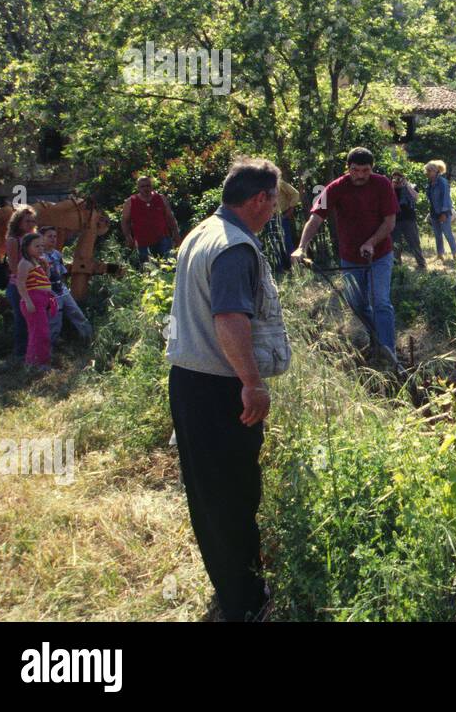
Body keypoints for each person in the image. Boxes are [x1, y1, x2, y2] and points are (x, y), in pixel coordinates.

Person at [166, 157, 291, 622]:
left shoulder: (200, 233)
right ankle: (244, 602)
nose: (275, 209)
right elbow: (230, 319)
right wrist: (253, 385)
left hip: (188, 380)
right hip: (221, 387)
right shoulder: (235, 247)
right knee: (234, 495)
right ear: (258, 199)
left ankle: (230, 587)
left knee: (209, 495)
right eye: (274, 200)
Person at [291, 148, 399, 364]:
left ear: (372, 168)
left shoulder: (383, 185)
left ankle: (389, 354)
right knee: (357, 305)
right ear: (347, 169)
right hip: (349, 257)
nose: (360, 175)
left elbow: (390, 222)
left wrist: (370, 242)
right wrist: (301, 247)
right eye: (355, 170)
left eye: (365, 170)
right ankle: (376, 339)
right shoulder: (335, 188)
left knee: (381, 302)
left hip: (380, 255)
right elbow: (315, 219)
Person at [40, 226, 93, 344]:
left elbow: (62, 272)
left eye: (54, 236)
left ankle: (90, 340)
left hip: (62, 289)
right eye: (49, 236)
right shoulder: (39, 257)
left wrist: (64, 287)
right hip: (50, 291)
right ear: (42, 238)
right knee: (54, 320)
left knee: (77, 313)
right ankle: (49, 349)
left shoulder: (57, 254)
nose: (53, 239)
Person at [16, 231, 57, 370]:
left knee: (42, 331)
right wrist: (27, 301)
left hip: (41, 300)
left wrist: (46, 268)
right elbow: (20, 283)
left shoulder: (36, 262)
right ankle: (37, 363)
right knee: (39, 333)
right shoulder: (25, 263)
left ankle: (38, 362)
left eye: (41, 246)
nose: (40, 249)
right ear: (27, 247)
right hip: (33, 300)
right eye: (36, 246)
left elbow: (44, 279)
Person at [122, 176, 180, 267]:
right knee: (150, 269)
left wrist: (176, 234)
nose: (146, 188)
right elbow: (125, 221)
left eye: (148, 185)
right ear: (138, 188)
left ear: (152, 186)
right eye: (143, 186)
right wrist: (128, 237)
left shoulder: (160, 198)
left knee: (168, 267)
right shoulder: (131, 202)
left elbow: (170, 218)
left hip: (163, 239)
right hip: (143, 243)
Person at [3, 206, 38, 359]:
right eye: (27, 221)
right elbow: (14, 267)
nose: (30, 224)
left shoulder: (34, 239)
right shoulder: (13, 240)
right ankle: (19, 354)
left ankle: (34, 351)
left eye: (32, 221)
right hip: (18, 286)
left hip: (35, 284)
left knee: (34, 319)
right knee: (22, 319)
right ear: (18, 222)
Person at [390, 172, 427, 271]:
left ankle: (421, 264)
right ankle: (397, 266)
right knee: (395, 244)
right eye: (395, 178)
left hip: (409, 219)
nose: (397, 180)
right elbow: (387, 200)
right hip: (395, 220)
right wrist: (392, 187)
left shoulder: (411, 186)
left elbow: (416, 197)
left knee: (414, 242)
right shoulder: (390, 188)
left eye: (399, 178)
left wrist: (406, 185)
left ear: (404, 178)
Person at [424, 160, 456, 260]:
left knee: (448, 234)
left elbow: (446, 199)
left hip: (444, 212)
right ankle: (440, 254)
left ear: (436, 171)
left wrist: (444, 213)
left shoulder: (442, 182)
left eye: (430, 170)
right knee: (437, 235)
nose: (427, 172)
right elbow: (431, 200)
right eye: (427, 170)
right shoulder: (429, 183)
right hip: (434, 213)